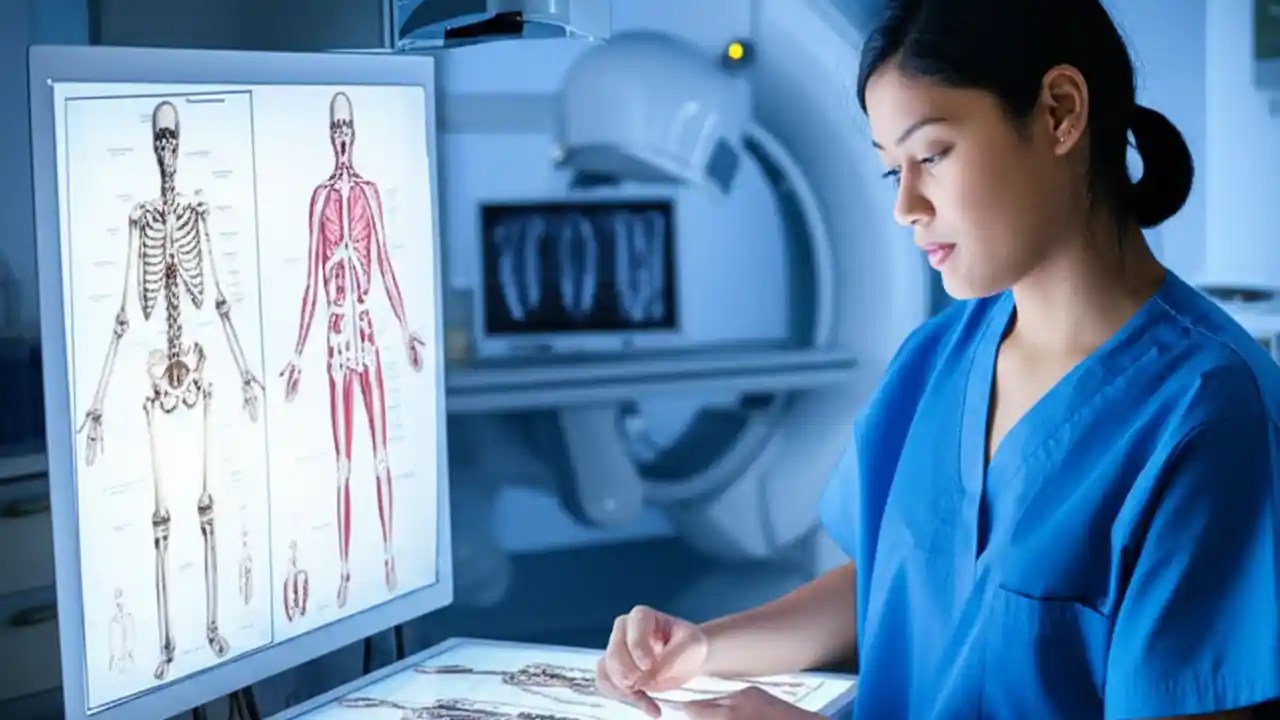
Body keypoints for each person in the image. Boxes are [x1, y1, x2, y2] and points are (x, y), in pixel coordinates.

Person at [593, 0, 1280, 718]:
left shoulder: (1210, 419)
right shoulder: (934, 361)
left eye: (931, 155)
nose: (906, 206)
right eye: (892, 172)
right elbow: (895, 582)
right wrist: (704, 647)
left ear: (1060, 112)